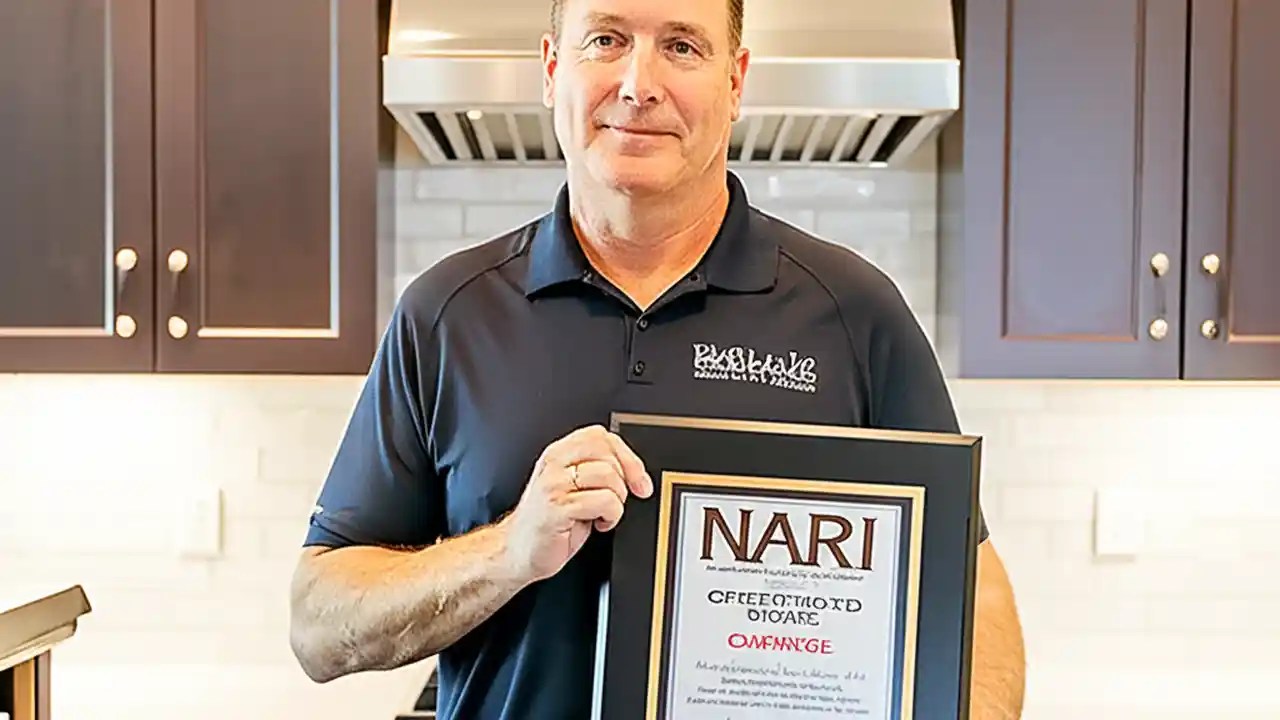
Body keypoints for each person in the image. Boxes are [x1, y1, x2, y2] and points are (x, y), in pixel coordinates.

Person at [288, 0, 1027, 717]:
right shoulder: (446, 315)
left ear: (735, 82)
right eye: (606, 40)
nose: (640, 84)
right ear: (551, 70)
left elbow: (972, 593)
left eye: (682, 45)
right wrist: (508, 552)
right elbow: (319, 626)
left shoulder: (856, 313)